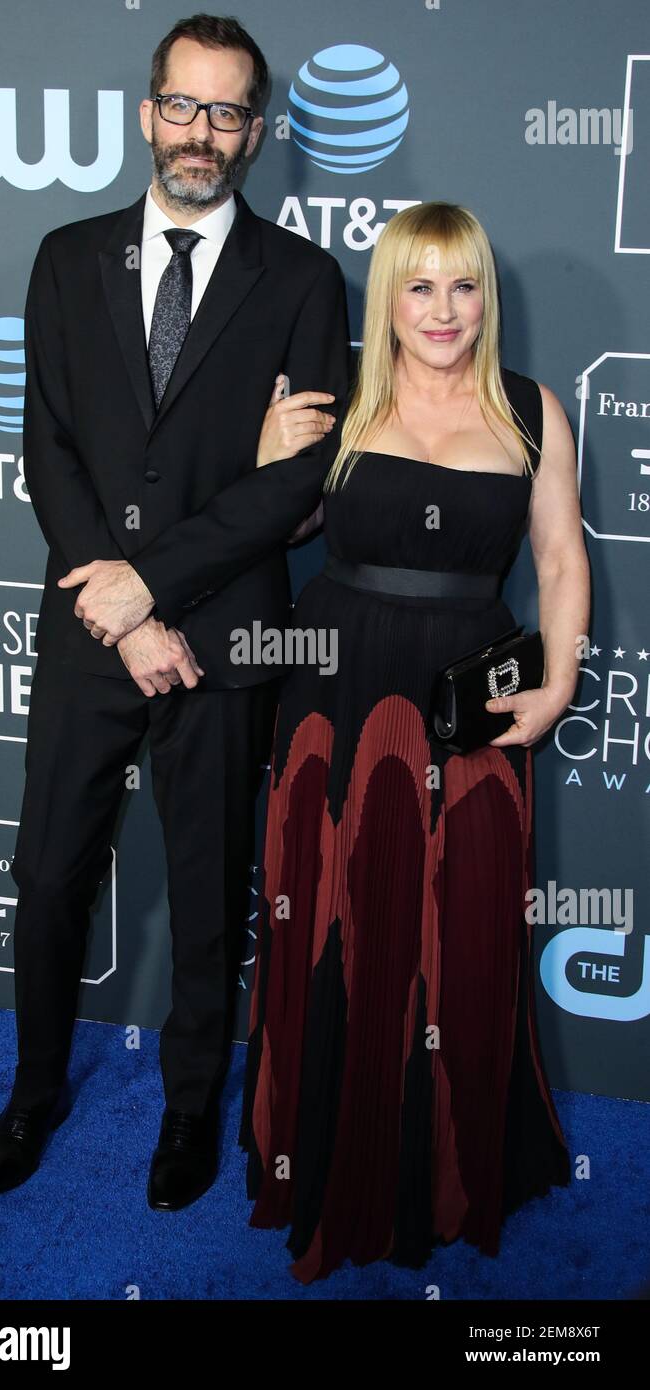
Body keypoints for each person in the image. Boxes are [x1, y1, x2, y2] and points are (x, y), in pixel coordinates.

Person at [0, 14, 349, 1209]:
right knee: (47, 877)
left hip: (226, 637)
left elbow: (293, 481)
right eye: (182, 106)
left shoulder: (299, 279)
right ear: (146, 114)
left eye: (228, 111)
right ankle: (33, 1091)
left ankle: (191, 1111)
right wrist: (125, 612)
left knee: (206, 883)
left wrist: (162, 589)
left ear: (257, 130)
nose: (202, 132)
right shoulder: (64, 256)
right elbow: (51, 449)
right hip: (96, 631)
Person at [238, 201, 590, 1283]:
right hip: (335, 684)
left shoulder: (530, 410)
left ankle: (440, 1164)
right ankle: (324, 1154)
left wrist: (559, 679)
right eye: (419, 286)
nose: (444, 310)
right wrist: (268, 454)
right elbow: (275, 527)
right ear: (387, 297)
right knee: (335, 914)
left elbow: (560, 557)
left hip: (468, 690)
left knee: (460, 918)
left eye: (464, 284)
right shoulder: (337, 404)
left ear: (486, 295)